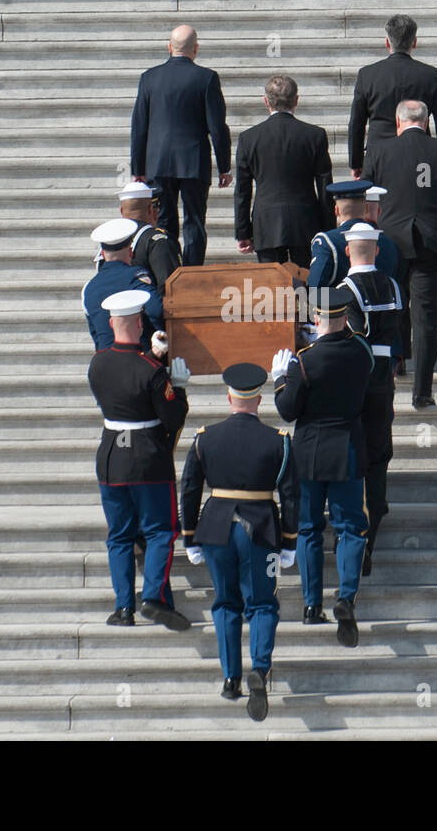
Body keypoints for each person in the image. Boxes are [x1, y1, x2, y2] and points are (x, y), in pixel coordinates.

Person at [180, 362, 299, 721]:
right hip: (260, 530)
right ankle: (259, 670)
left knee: (226, 603)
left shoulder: (205, 437)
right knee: (262, 604)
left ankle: (231, 678)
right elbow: (291, 495)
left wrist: (189, 536)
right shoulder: (278, 441)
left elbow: (188, 488)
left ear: (229, 396)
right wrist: (290, 541)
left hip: (216, 529)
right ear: (259, 400)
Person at [273, 287, 373, 648]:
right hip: (346, 448)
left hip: (310, 453)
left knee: (309, 529)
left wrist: (280, 379)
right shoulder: (361, 352)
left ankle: (311, 605)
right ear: (345, 316)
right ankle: (345, 598)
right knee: (350, 528)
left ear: (316, 318)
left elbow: (287, 409)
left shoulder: (304, 360)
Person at [87, 289, 192, 631]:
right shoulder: (151, 371)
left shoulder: (98, 363)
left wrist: (151, 357)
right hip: (146, 455)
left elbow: (124, 373)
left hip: (112, 455)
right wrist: (177, 386)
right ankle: (154, 597)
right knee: (161, 530)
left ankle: (123, 608)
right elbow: (173, 416)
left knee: (119, 535)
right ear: (137, 323)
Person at [364, 100, 437, 409]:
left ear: (398, 123)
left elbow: (368, 202)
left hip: (390, 242)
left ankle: (398, 362)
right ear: (426, 122)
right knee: (426, 319)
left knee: (393, 305)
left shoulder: (379, 151)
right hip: (434, 244)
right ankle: (422, 391)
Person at [130, 24, 232, 266]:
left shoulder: (149, 78)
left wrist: (138, 168)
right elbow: (217, 128)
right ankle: (192, 275)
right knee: (195, 221)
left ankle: (169, 273)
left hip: (158, 162)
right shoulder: (206, 78)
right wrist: (225, 166)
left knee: (163, 222)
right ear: (196, 49)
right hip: (193, 162)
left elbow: (139, 125)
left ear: (169, 47)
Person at [337, 223, 404, 576]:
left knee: (353, 459)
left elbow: (348, 340)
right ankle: (370, 536)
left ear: (348, 251)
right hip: (384, 380)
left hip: (356, 381)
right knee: (379, 457)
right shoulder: (392, 285)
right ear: (376, 251)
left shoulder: (343, 290)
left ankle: (353, 537)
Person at [233, 74, 334, 267]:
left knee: (273, 291)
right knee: (308, 285)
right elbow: (325, 187)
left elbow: (242, 191)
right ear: (296, 100)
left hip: (267, 222)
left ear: (265, 101)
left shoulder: (249, 138)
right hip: (306, 221)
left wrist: (243, 232)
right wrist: (328, 229)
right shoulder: (314, 135)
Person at [347, 13, 437, 180]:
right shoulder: (430, 75)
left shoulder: (367, 75)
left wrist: (356, 162)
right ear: (414, 42)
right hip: (420, 155)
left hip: (378, 155)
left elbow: (356, 123)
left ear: (387, 42)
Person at [81, 218, 164, 351]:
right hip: (137, 360)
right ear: (130, 252)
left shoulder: (88, 288)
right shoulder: (136, 275)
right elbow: (156, 311)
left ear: (102, 253)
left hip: (104, 363)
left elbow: (96, 335)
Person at [307, 180, 401, 290]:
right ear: (366, 209)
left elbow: (316, 289)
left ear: (336, 210)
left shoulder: (326, 242)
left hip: (342, 306)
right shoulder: (388, 243)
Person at [112, 181, 181, 290]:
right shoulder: (157, 241)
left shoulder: (110, 239)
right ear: (150, 209)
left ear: (121, 211)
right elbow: (170, 286)